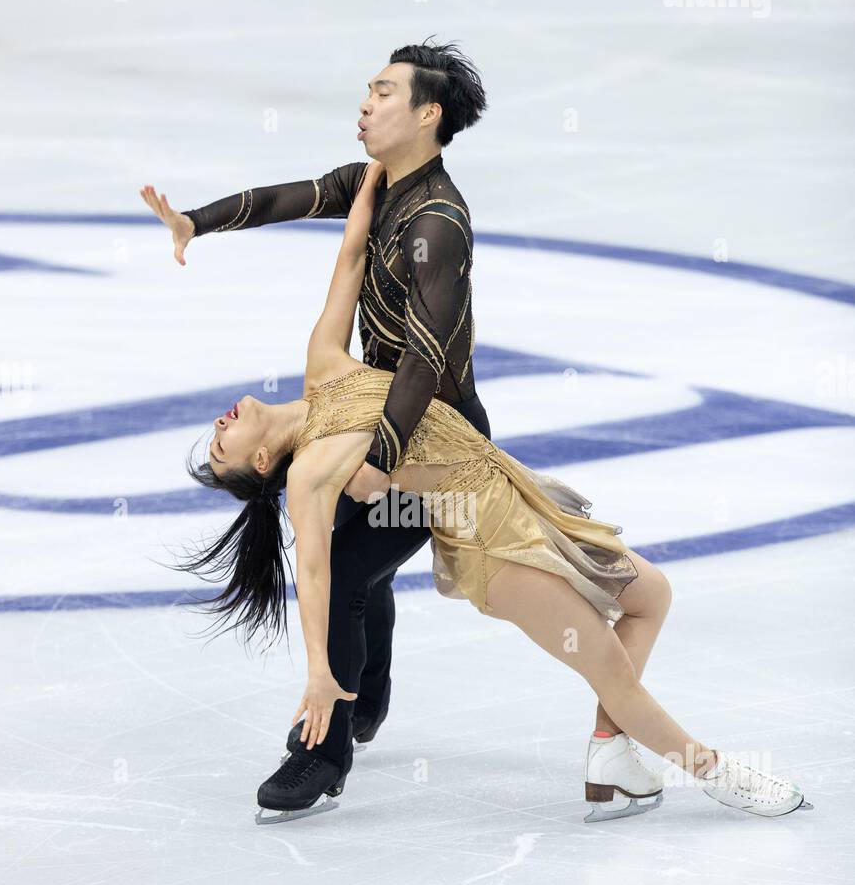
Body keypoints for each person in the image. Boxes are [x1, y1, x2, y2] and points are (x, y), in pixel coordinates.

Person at [179, 161, 811, 825]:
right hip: (489, 544)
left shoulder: (324, 367)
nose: (218, 424)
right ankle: (720, 775)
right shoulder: (311, 473)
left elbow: (347, 262)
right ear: (259, 459)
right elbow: (316, 572)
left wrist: (371, 186)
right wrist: (318, 674)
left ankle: (611, 755)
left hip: (513, 490)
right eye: (221, 446)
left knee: (651, 597)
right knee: (608, 669)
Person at [141, 37, 493, 812]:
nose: (364, 103)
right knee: (342, 553)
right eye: (367, 90)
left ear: (427, 114)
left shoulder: (438, 223)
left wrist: (380, 462)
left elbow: (426, 363)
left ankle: (323, 752)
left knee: (338, 575)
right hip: (372, 424)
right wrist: (194, 223)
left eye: (383, 92)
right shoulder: (376, 183)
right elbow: (285, 200)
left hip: (439, 460)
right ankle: (367, 687)